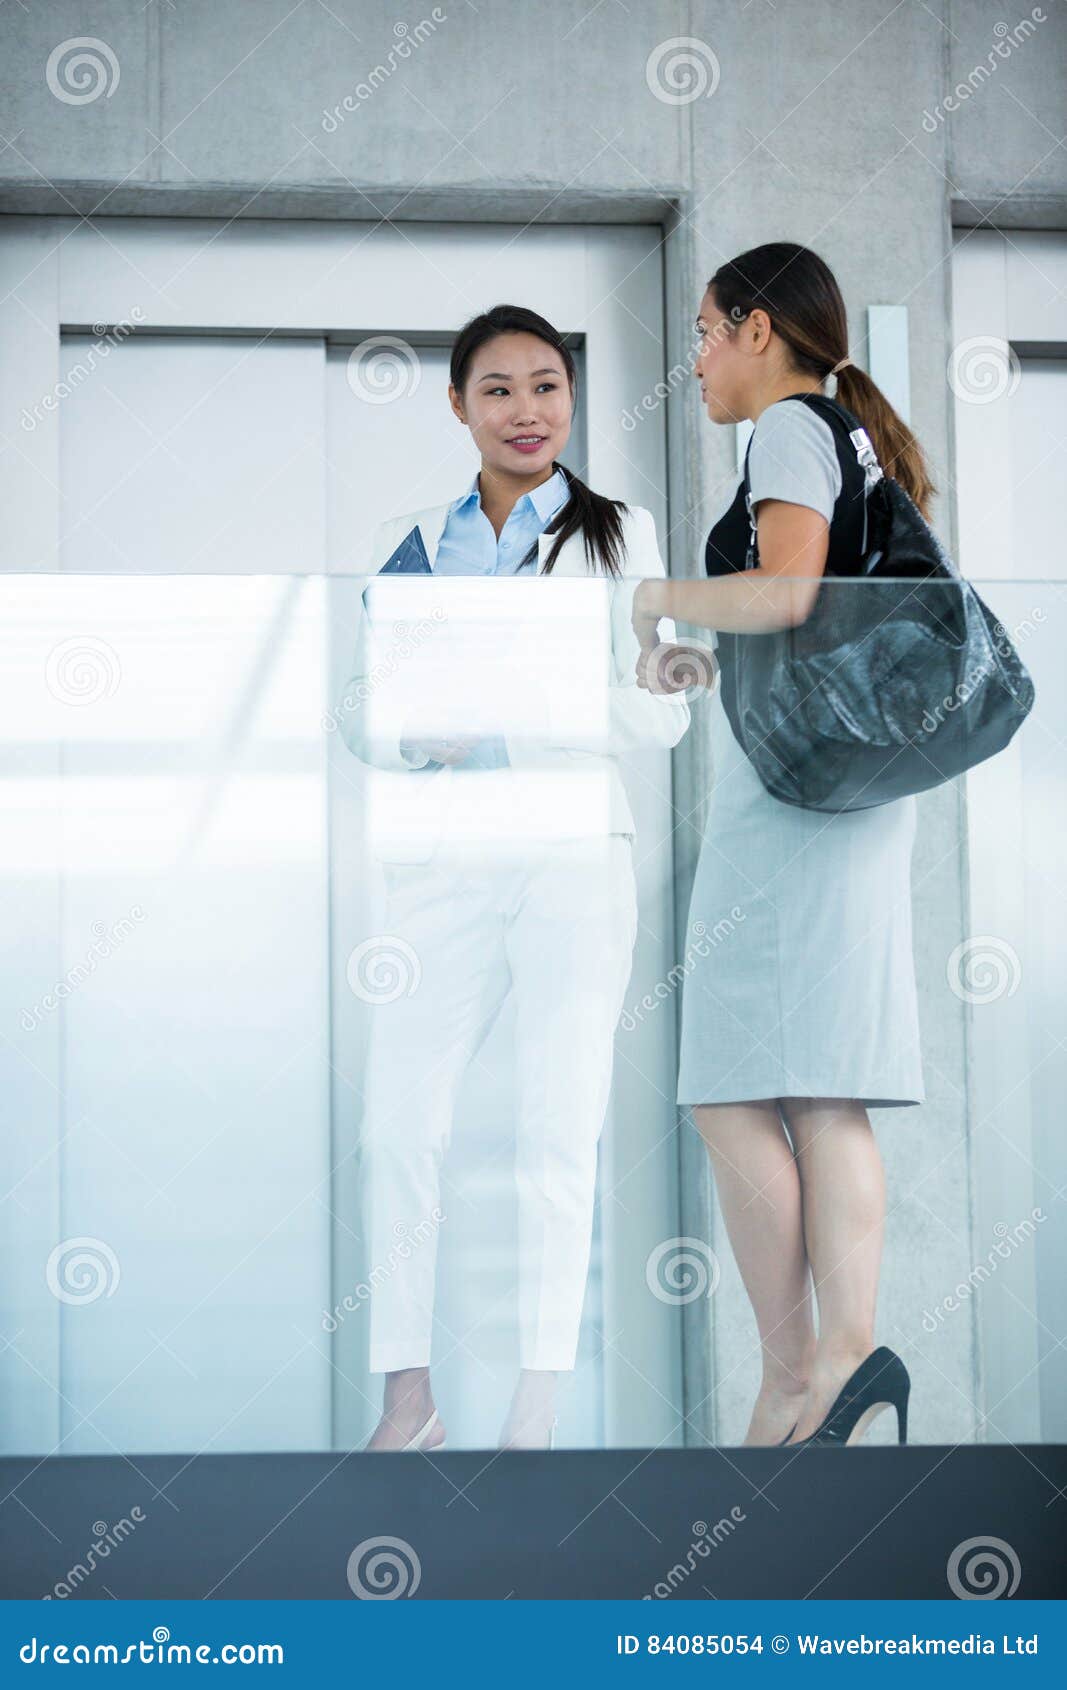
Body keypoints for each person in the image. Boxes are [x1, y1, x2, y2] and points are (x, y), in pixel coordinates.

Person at [339, 304, 689, 1451]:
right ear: (457, 405)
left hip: (569, 849)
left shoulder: (619, 532)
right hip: (445, 856)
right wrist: (407, 733)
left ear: (572, 400)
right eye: (498, 390)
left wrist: (544, 700)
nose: (526, 410)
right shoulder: (412, 538)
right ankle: (407, 1398)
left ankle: (535, 1403)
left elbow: (662, 714)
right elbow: (357, 706)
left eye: (546, 385)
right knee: (396, 1122)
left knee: (556, 1120)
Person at [631, 243, 930, 1448]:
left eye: (704, 332)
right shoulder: (844, 435)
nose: (695, 360)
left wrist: (653, 596)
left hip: (794, 802)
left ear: (758, 329)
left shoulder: (789, 428)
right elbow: (797, 607)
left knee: (725, 1085)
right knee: (818, 1085)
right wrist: (703, 645)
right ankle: (839, 1364)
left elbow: (791, 589)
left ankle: (802, 1369)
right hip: (849, 788)